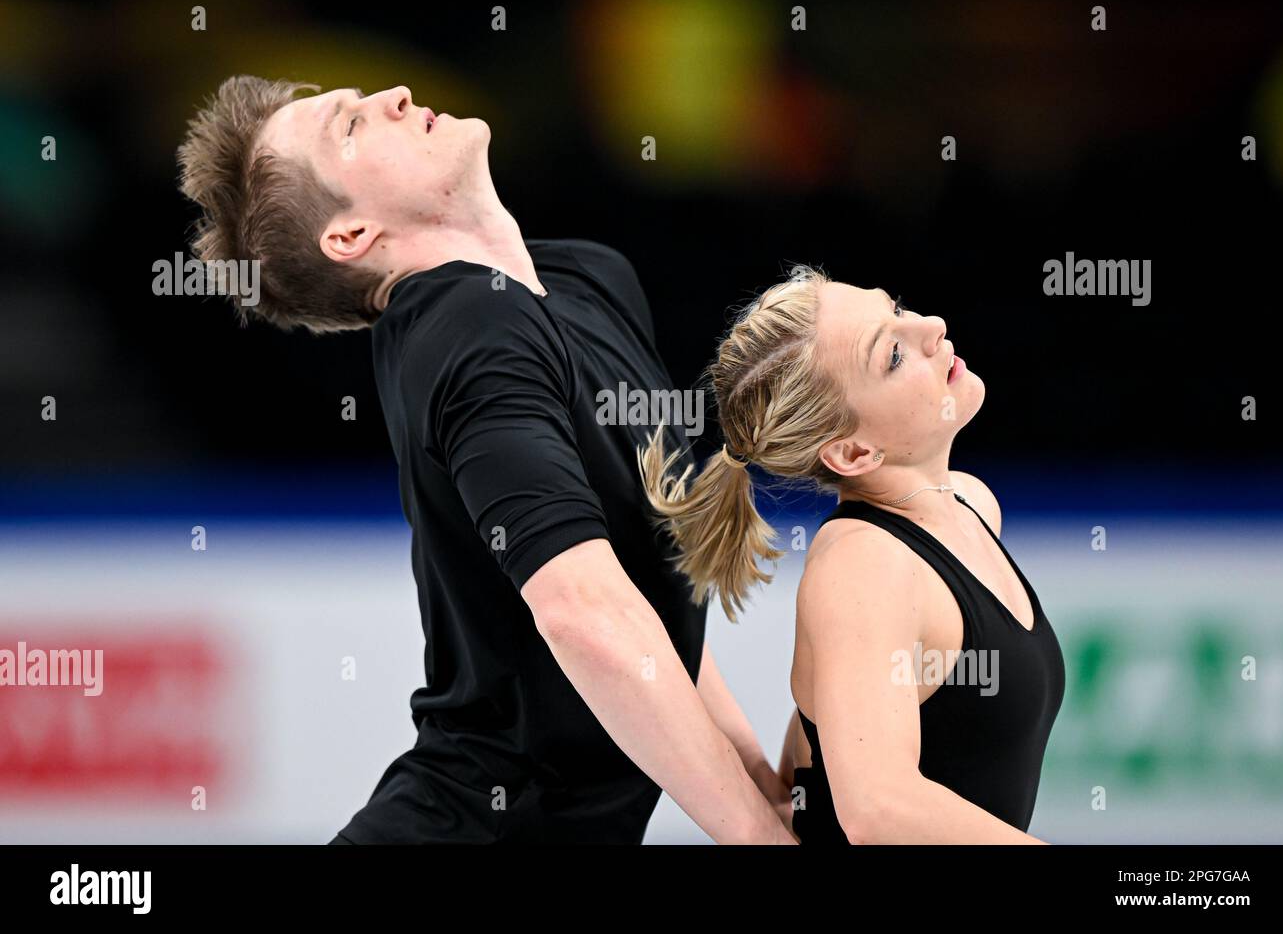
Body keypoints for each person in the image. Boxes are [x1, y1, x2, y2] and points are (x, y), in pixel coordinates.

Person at [176, 76, 796, 844]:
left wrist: (761, 790)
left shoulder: (585, 279)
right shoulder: (469, 331)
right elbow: (582, 611)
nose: (395, 96)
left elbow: (643, 604)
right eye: (351, 126)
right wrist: (755, 837)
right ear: (350, 235)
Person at [639, 264, 1067, 843]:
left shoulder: (969, 504)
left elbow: (823, 734)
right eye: (891, 356)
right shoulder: (864, 565)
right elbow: (877, 807)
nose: (931, 326)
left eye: (895, 308)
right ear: (854, 452)